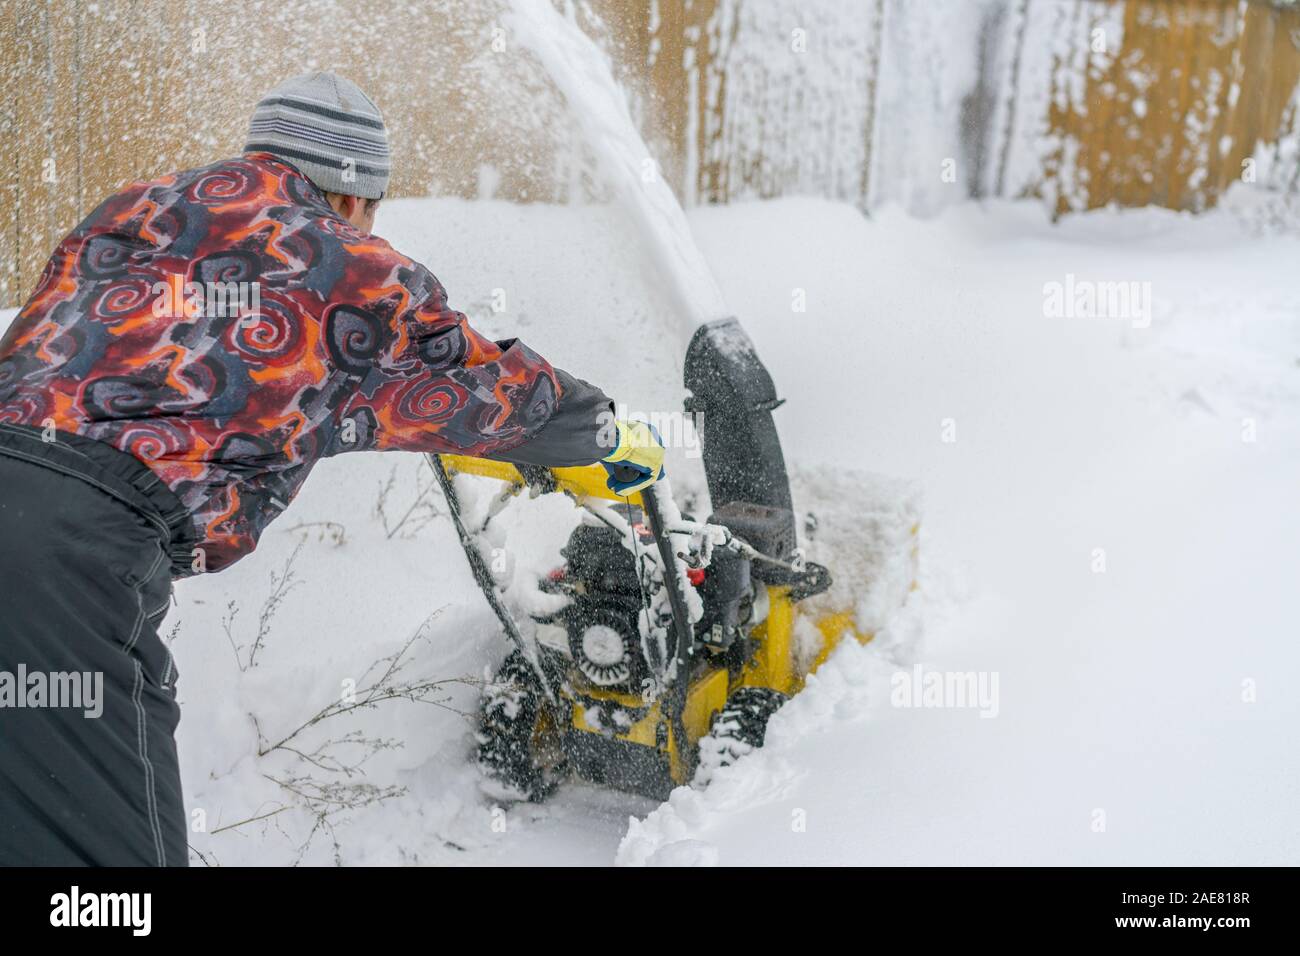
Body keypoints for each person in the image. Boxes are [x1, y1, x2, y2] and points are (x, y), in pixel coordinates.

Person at [0, 71, 663, 866]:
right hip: (66, 561)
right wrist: (610, 433)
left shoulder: (133, 209)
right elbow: (486, 397)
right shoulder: (346, 267)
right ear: (350, 196)